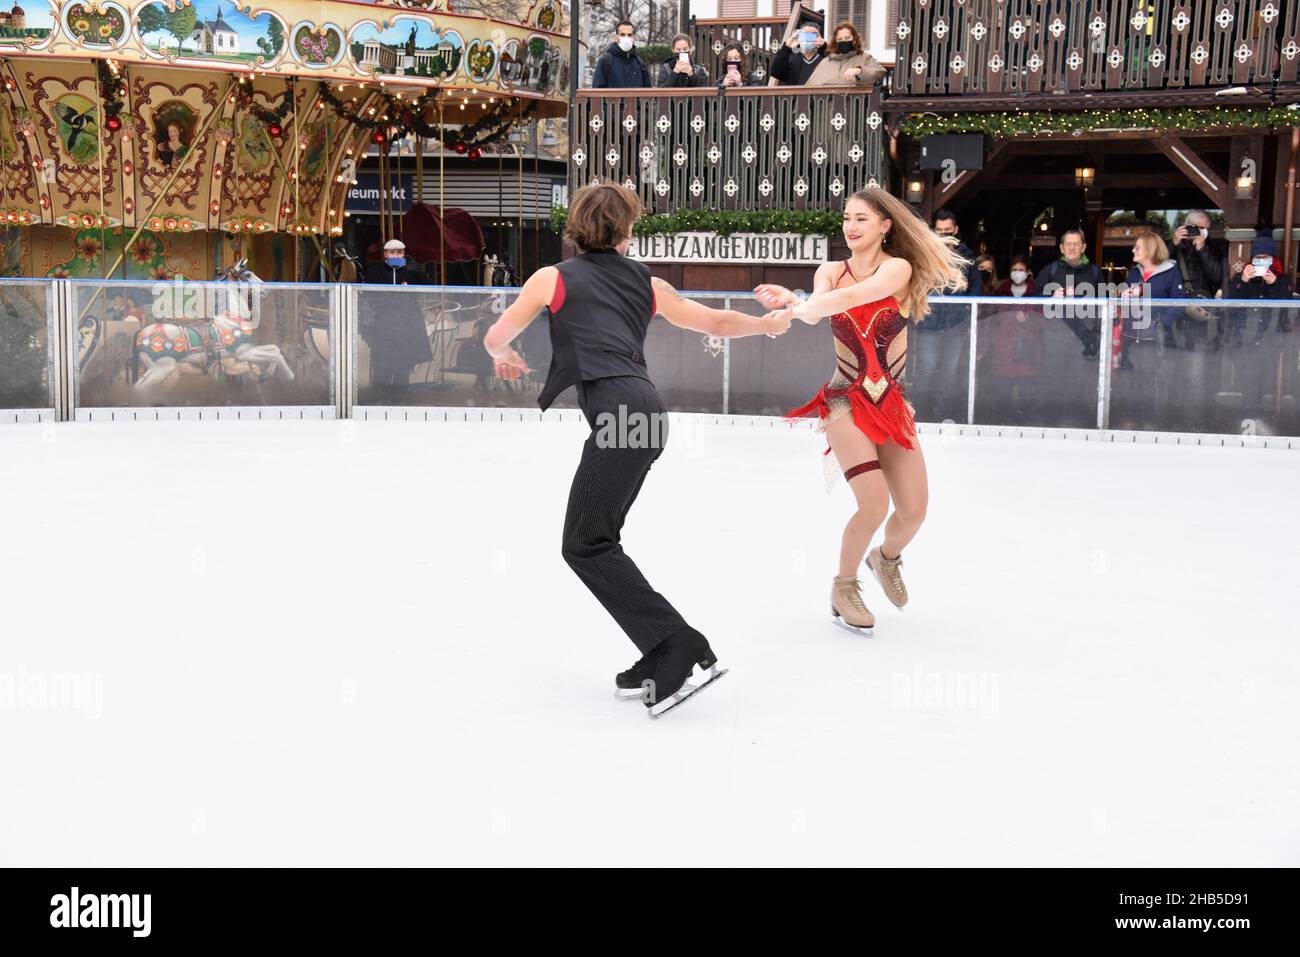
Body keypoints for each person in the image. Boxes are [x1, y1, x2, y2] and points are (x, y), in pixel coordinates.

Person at [482, 183, 791, 717]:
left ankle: (677, 643)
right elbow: (715, 322)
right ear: (628, 230)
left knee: (585, 545)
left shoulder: (551, 278)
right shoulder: (648, 283)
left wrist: (503, 352)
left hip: (621, 416)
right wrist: (767, 326)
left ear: (574, 227)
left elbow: (496, 334)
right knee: (598, 540)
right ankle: (659, 647)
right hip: (646, 413)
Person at [754, 188, 968, 635]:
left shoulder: (898, 268)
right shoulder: (830, 270)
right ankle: (845, 586)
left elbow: (852, 300)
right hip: (842, 400)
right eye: (847, 219)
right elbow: (818, 313)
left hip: (890, 403)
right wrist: (794, 307)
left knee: (913, 511)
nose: (850, 227)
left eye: (862, 219)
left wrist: (796, 308)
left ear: (886, 225)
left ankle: (884, 560)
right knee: (874, 504)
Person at [361, 238, 433, 402]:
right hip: (384, 325)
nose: (396, 255)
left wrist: (417, 271)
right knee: (383, 363)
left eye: (399, 252)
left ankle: (401, 396)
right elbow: (368, 296)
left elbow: (429, 287)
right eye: (392, 252)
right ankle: (382, 395)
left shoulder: (411, 271)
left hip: (407, 324)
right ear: (386, 254)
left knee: (404, 363)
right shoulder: (376, 271)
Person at [1034, 228, 1103, 357]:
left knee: (1085, 376)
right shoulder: (1050, 270)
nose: (1072, 247)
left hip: (1086, 341)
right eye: (1068, 244)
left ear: (1083, 247)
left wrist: (1096, 334)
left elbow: (1104, 304)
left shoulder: (1094, 272)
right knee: (1054, 375)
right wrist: (1051, 298)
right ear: (1061, 248)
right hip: (1056, 339)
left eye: (1076, 244)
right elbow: (1033, 299)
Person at [1121, 233, 1184, 353]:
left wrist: (1161, 323)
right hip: (1131, 339)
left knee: (1151, 370)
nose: (1133, 250)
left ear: (1150, 250)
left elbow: (1179, 302)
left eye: (1138, 247)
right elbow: (1125, 302)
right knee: (1128, 370)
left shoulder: (1170, 272)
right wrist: (1124, 297)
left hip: (1156, 340)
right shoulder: (1134, 272)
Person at [1225, 236, 1293, 347]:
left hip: (1270, 338)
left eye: (1265, 257)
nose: (1261, 261)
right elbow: (1230, 302)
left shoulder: (1281, 278)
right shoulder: (1241, 276)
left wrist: (1274, 284)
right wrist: (1243, 281)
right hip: (1243, 335)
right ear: (1252, 259)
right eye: (1257, 257)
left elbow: (1285, 306)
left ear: (1272, 259)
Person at [804, 21, 886, 89]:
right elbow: (809, 87)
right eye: (840, 39)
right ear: (835, 41)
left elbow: (879, 74)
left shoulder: (865, 57)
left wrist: (860, 71)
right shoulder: (826, 61)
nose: (843, 41)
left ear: (854, 39)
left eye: (847, 38)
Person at [1171, 210, 1226, 298]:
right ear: (1187, 227)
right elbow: (1158, 265)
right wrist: (1173, 244)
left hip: (1203, 300)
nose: (1203, 232)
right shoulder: (1174, 246)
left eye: (1206, 229)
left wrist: (1202, 250)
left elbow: (1217, 277)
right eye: (1200, 228)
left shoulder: (1213, 247)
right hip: (1176, 300)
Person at [933, 210, 981, 297]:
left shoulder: (966, 256)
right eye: (939, 230)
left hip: (958, 307)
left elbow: (976, 285)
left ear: (955, 230)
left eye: (947, 229)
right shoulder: (928, 253)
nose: (943, 233)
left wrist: (967, 306)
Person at [591, 20, 650, 89]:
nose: (626, 37)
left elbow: (647, 93)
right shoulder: (605, 61)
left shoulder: (640, 63)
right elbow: (597, 91)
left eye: (629, 35)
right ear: (616, 38)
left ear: (634, 38)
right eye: (622, 34)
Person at [769, 21, 828, 86]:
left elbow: (832, 66)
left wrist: (824, 47)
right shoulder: (791, 57)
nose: (808, 38)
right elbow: (776, 73)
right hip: (795, 95)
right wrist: (787, 46)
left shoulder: (823, 58)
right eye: (805, 35)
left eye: (812, 35)